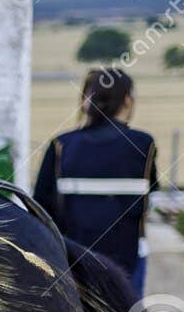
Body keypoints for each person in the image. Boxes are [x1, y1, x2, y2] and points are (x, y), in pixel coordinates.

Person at [34, 67, 158, 295]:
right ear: (128, 101)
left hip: (73, 261)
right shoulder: (144, 145)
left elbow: (41, 205)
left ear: (84, 102)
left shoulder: (62, 145)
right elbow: (149, 197)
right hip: (128, 259)